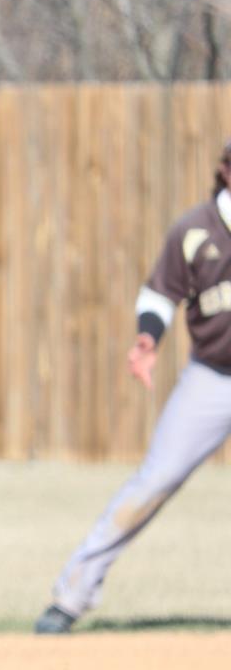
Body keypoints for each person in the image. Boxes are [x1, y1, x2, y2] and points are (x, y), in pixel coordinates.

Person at [36, 138, 231, 634]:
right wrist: (148, 337)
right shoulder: (195, 231)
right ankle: (71, 595)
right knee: (154, 480)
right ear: (226, 172)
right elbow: (160, 294)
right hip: (213, 376)